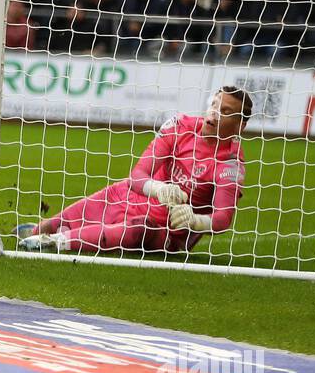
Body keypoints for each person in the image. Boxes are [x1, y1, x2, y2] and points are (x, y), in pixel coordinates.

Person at [18, 86, 252, 253]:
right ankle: (42, 231)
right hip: (131, 197)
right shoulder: (180, 126)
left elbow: (223, 218)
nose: (214, 113)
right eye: (214, 105)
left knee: (139, 228)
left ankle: (56, 243)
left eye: (227, 111)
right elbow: (136, 177)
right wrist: (159, 188)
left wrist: (195, 221)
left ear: (240, 125)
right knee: (50, 224)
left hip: (165, 229)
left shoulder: (230, 163)